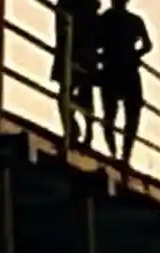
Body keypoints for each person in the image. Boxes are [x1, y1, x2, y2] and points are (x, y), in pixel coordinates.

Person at [97, 0, 152, 164]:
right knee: (131, 113)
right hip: (128, 69)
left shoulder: (105, 18)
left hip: (111, 69)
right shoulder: (134, 20)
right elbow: (148, 45)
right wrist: (135, 54)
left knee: (111, 112)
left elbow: (95, 42)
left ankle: (115, 152)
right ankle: (124, 154)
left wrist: (102, 56)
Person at [51, 0, 101, 147]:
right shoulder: (87, 7)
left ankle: (76, 130)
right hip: (79, 52)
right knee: (76, 94)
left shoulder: (73, 5)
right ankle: (76, 130)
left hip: (75, 51)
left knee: (70, 93)